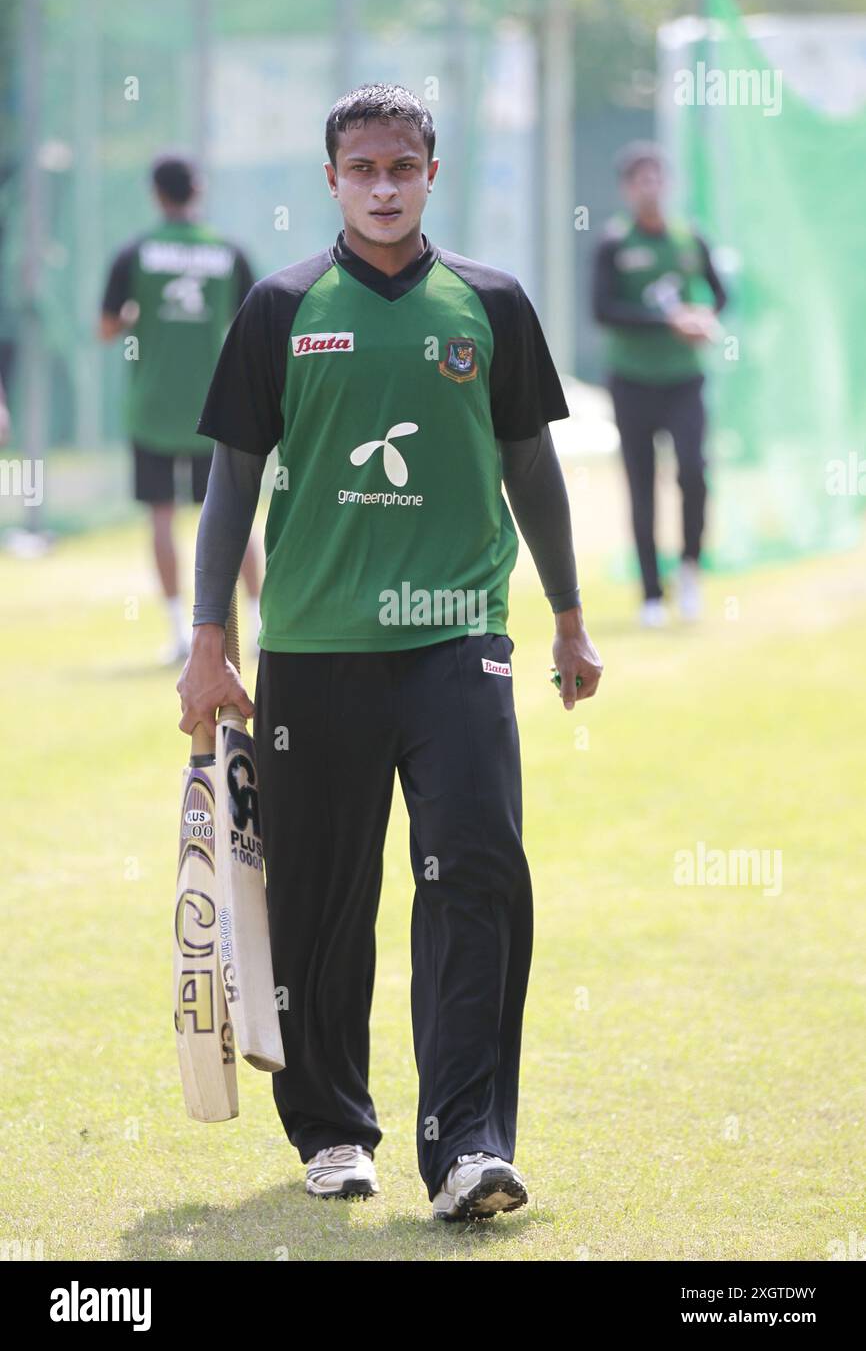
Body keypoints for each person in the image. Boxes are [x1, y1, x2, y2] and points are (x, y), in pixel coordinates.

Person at [177, 84, 603, 1222]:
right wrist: (208, 638)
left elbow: (530, 468)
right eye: (360, 168)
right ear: (330, 180)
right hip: (312, 650)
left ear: (429, 173)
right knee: (321, 896)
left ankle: (466, 1143)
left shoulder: (490, 304)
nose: (380, 185)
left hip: (458, 639)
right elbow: (231, 480)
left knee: (474, 871)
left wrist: (564, 614)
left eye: (401, 166)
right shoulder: (277, 307)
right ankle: (332, 1130)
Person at [99, 154, 261, 662]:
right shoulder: (229, 252)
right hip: (217, 409)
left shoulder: (136, 252)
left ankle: (177, 633)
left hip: (153, 409)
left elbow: (106, 328)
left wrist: (134, 317)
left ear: (156, 193)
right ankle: (257, 627)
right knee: (237, 517)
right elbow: (250, 325)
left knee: (162, 519)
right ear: (199, 189)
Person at [591, 141, 727, 626]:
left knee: (693, 470)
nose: (649, 187)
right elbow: (603, 310)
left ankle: (690, 568)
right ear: (627, 188)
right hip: (631, 381)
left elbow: (720, 293)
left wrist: (701, 316)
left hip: (683, 378)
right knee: (641, 482)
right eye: (639, 179)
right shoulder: (614, 242)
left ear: (666, 183)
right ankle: (651, 593)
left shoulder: (690, 238)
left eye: (656, 177)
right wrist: (667, 322)